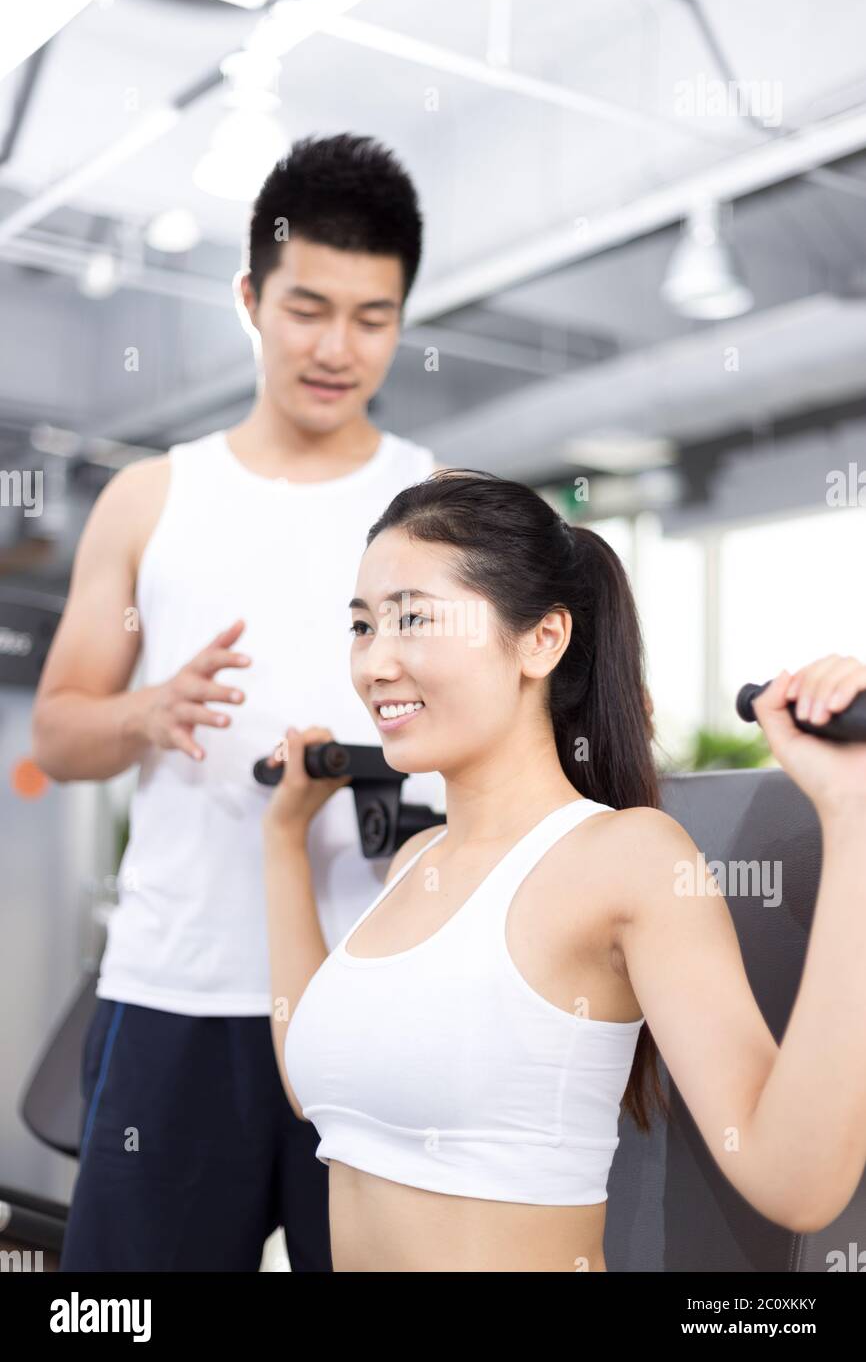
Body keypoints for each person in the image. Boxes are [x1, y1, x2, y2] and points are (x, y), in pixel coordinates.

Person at [261, 468, 866, 1272]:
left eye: (414, 619)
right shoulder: (417, 863)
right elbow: (317, 1091)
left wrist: (854, 818)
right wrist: (281, 842)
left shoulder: (626, 858)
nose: (375, 663)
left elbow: (797, 1183)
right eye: (364, 625)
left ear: (542, 639)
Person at [32, 132, 448, 1272]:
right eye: (306, 307)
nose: (335, 347)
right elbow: (58, 732)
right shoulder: (150, 498)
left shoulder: (436, 505)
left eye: (371, 317)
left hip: (374, 997)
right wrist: (147, 711)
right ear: (249, 298)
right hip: (175, 992)